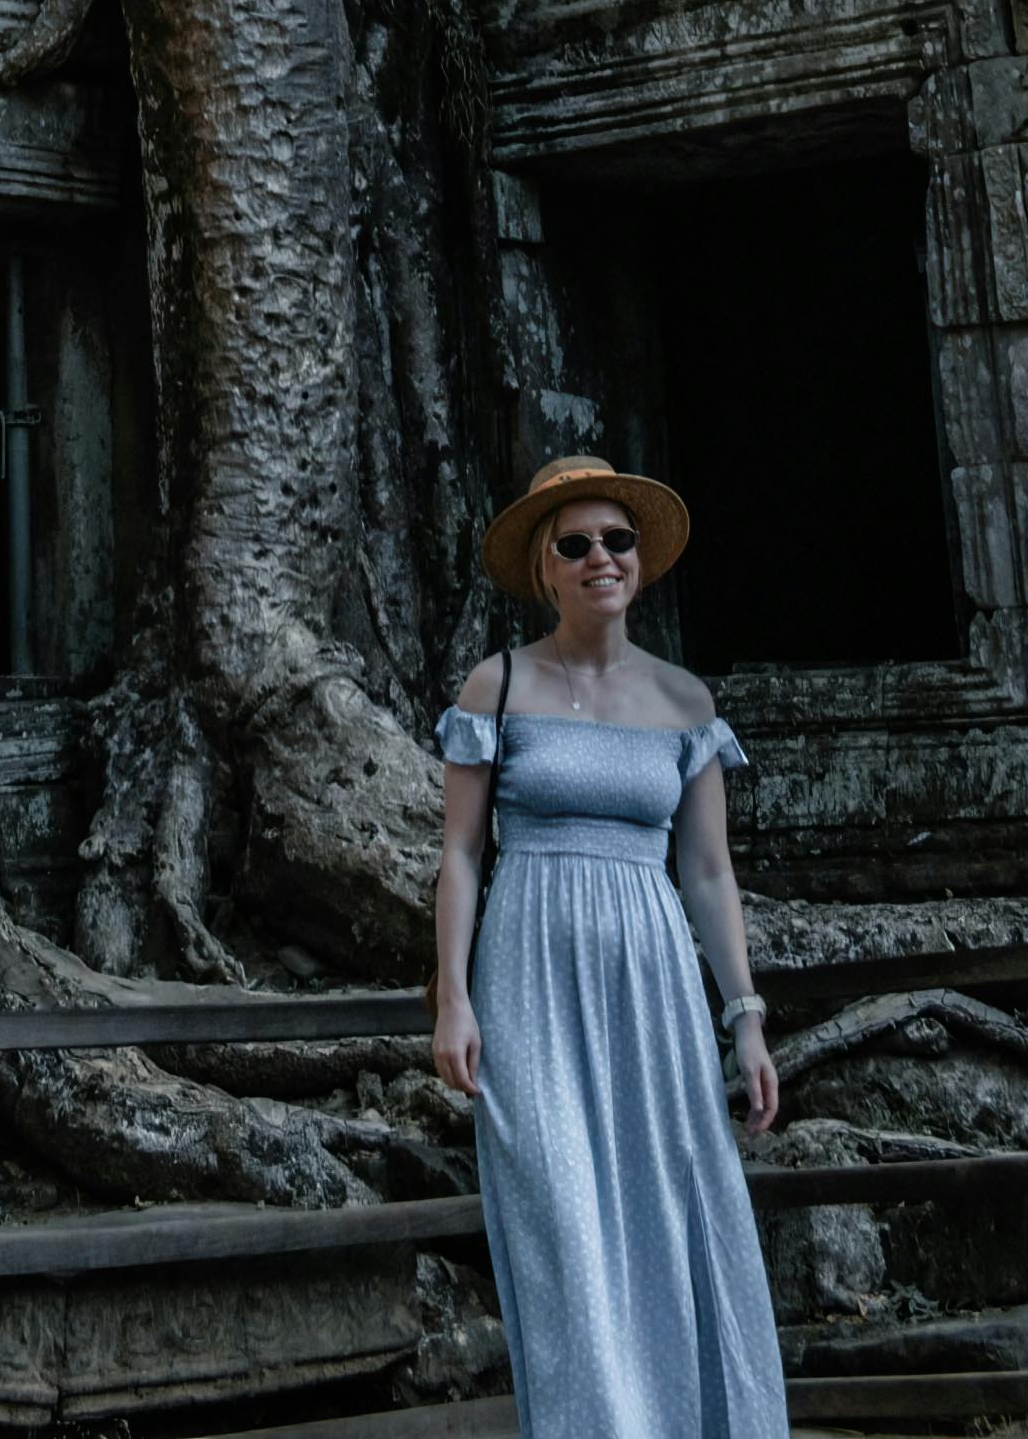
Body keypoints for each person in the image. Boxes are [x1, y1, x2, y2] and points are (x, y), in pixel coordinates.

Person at [427, 452, 788, 1439]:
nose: (599, 558)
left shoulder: (683, 705)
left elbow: (708, 874)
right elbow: (460, 853)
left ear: (641, 562)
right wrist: (451, 997)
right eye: (574, 544)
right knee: (561, 1218)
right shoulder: (495, 685)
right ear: (544, 568)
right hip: (529, 972)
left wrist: (744, 1020)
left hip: (652, 978)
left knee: (671, 1203)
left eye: (615, 541)